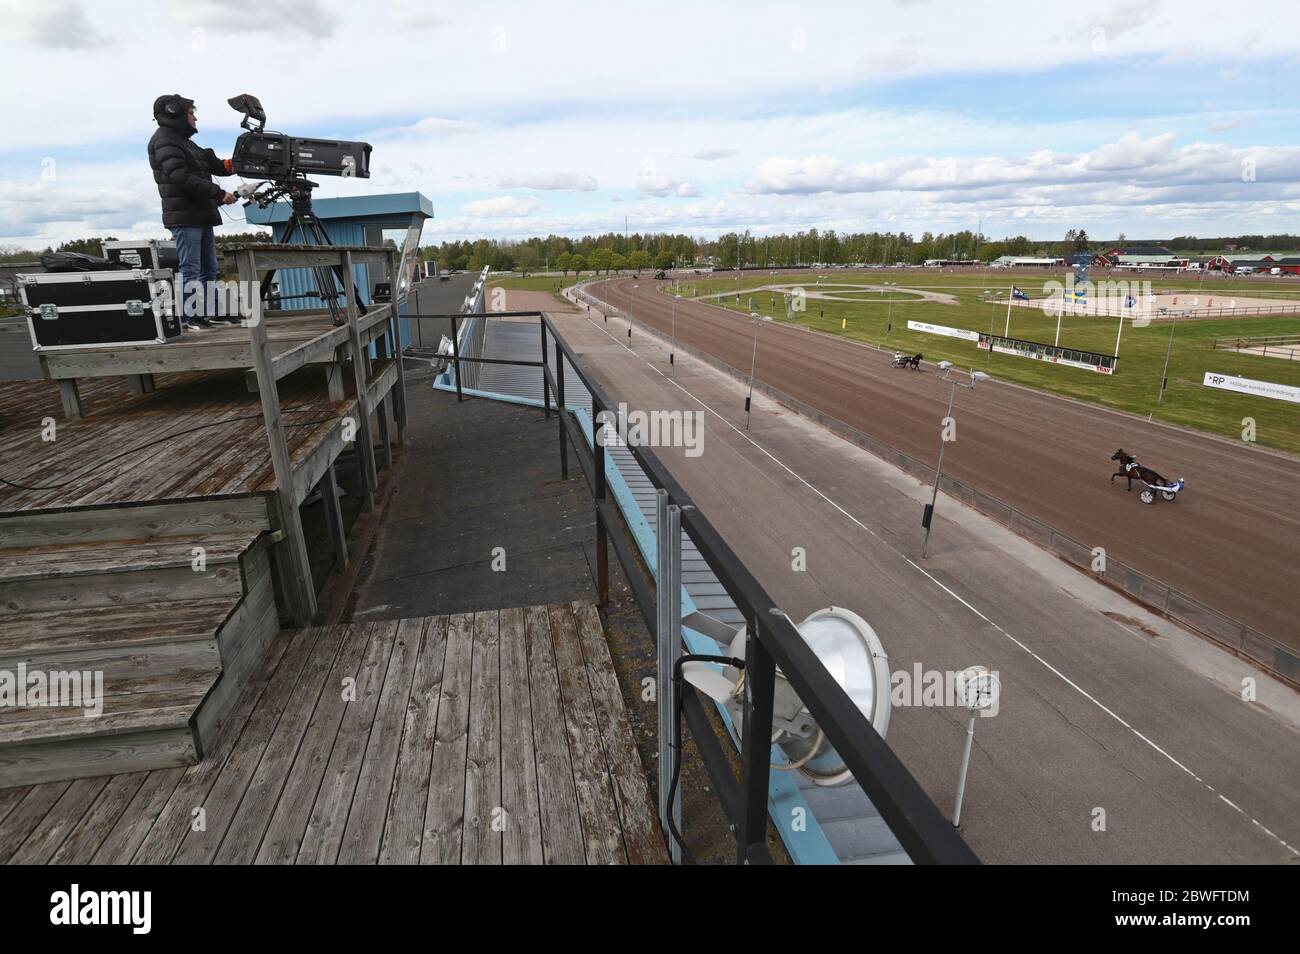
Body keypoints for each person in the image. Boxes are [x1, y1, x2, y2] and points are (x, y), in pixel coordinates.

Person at [148, 94, 238, 330]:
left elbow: (213, 164)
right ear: (175, 113)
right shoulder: (165, 141)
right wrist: (218, 193)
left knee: (209, 268)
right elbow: (180, 176)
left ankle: (214, 313)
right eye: (191, 113)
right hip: (185, 216)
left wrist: (239, 161)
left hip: (200, 214)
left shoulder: (184, 142)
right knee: (191, 268)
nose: (195, 117)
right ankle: (190, 318)